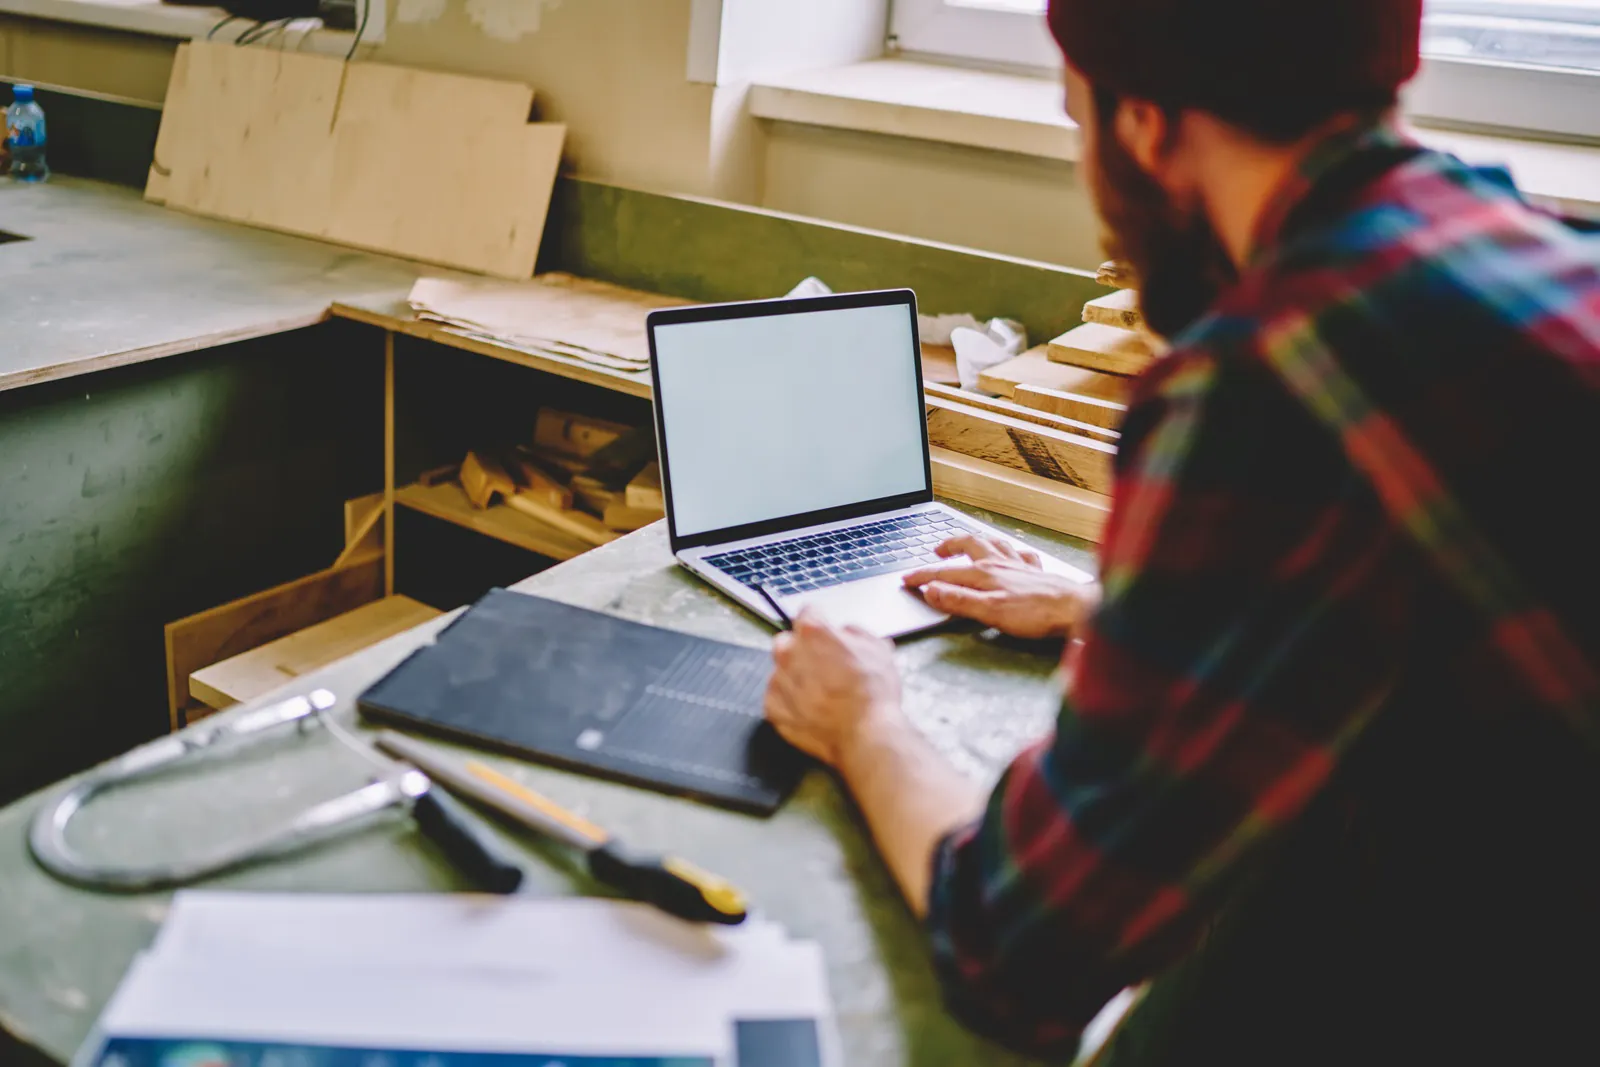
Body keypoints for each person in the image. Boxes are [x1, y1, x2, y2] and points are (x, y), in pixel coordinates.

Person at [763, 1, 1600, 1062]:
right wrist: (1110, 609)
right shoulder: (1531, 247)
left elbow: (1020, 948)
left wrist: (862, 719)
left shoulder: (1263, 378)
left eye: (1078, 120)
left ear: (1146, 124)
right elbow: (1444, 591)